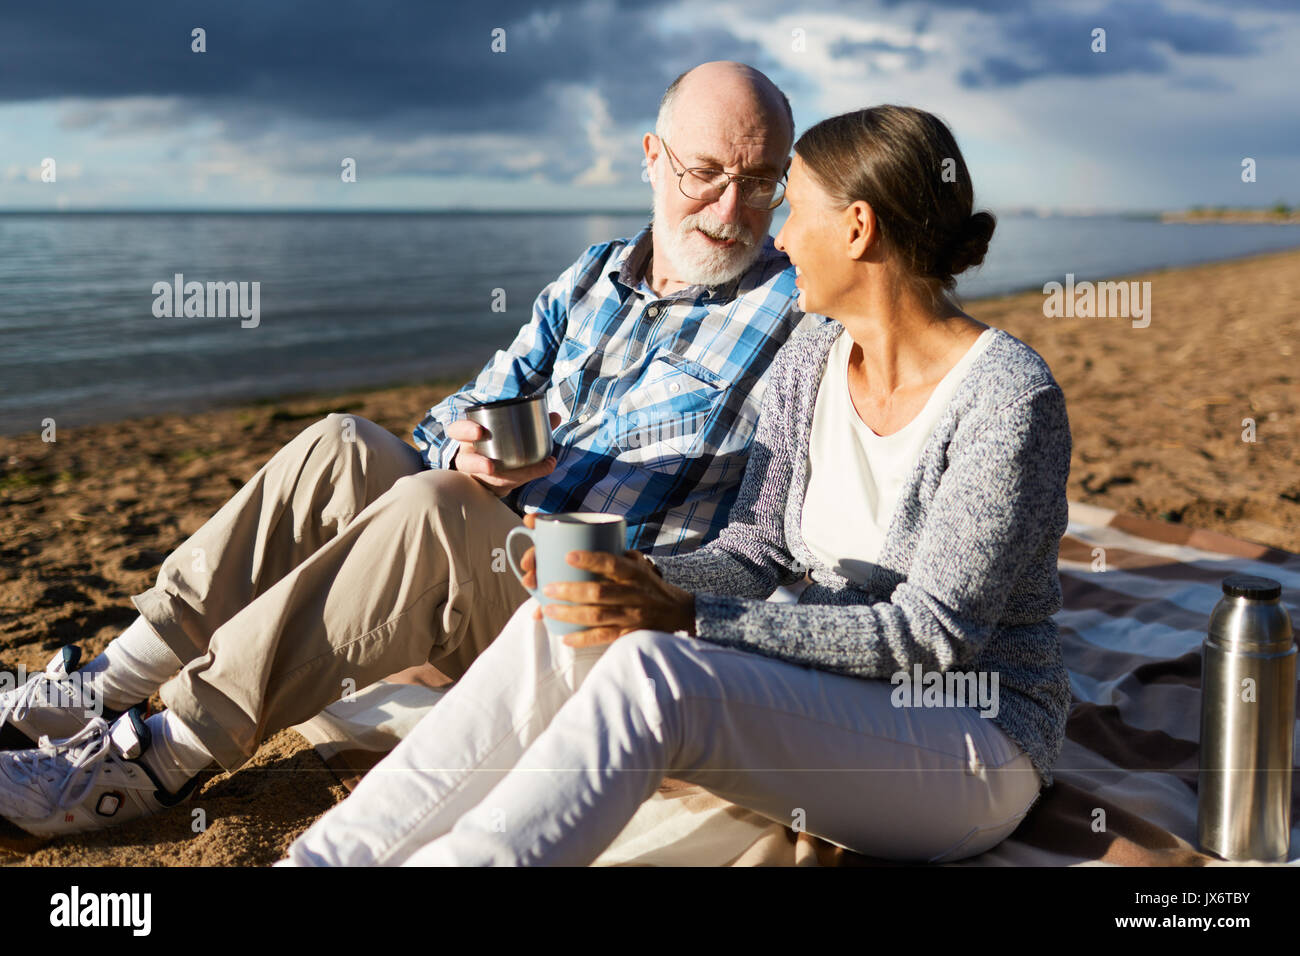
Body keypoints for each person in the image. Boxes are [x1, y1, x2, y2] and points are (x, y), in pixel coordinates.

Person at [0, 61, 824, 837]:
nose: (730, 209)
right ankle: (103, 686)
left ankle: (157, 761)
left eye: (760, 182)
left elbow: (771, 544)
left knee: (437, 506)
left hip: (595, 612)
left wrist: (643, 579)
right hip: (493, 559)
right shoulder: (595, 274)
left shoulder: (800, 314)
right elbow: (461, 412)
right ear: (651, 157)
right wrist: (466, 452)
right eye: (705, 173)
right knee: (343, 445)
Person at [281, 104, 1074, 867]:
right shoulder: (813, 357)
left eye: (794, 208)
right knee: (568, 616)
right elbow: (757, 550)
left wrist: (689, 616)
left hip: (969, 736)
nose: (779, 235)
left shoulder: (1005, 397)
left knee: (651, 676)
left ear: (857, 228)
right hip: (834, 690)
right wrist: (634, 582)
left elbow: (930, 639)